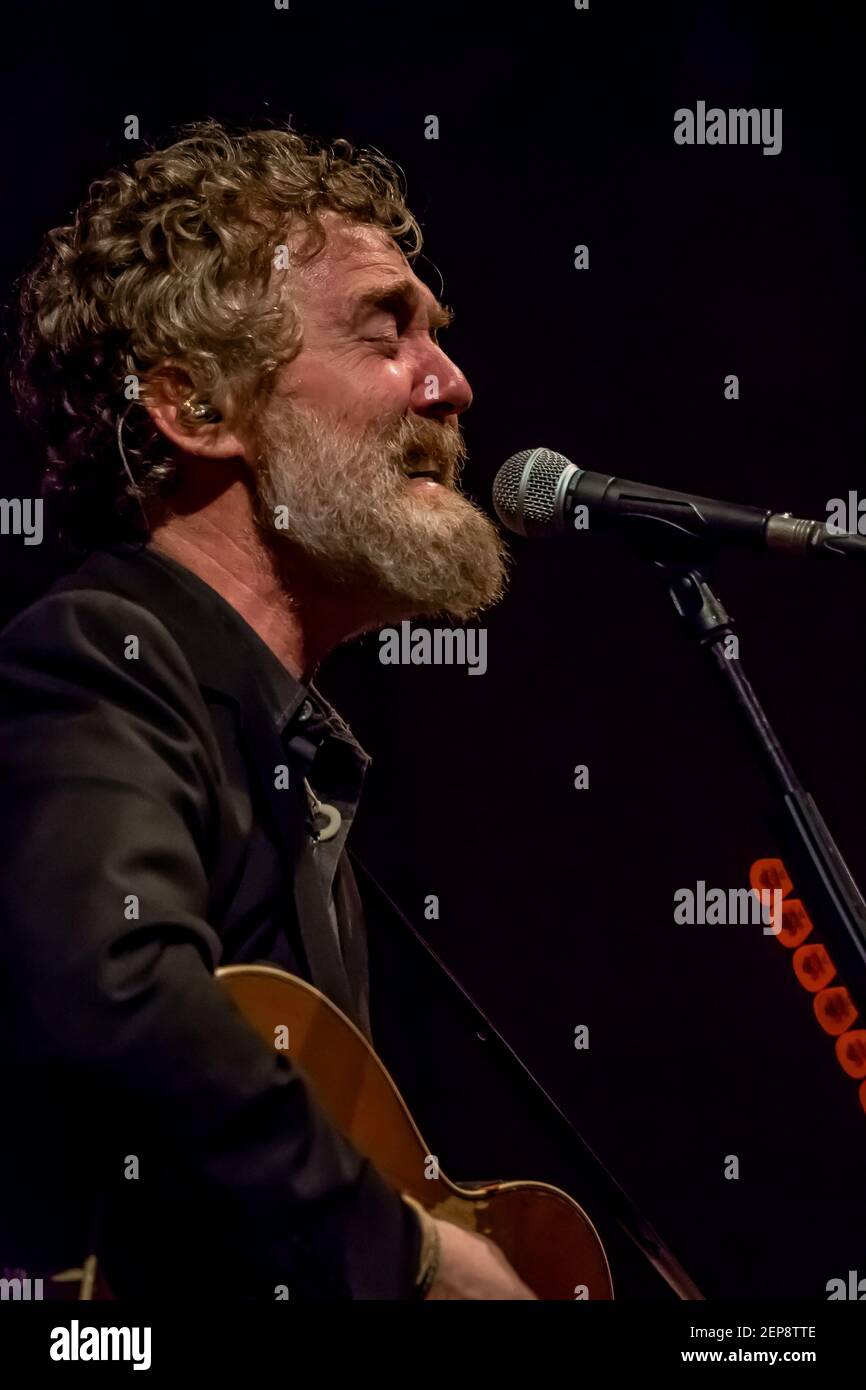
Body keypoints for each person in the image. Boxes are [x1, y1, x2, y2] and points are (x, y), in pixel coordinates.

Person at [1, 120, 536, 1300]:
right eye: (384, 331)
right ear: (196, 408)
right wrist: (409, 1256)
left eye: (436, 336)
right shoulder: (95, 657)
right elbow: (105, 994)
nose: (450, 385)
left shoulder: (290, 751)